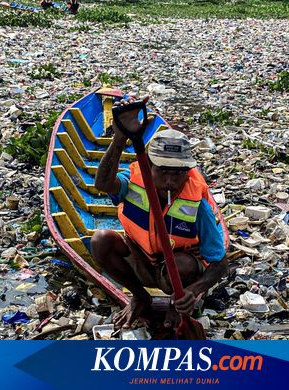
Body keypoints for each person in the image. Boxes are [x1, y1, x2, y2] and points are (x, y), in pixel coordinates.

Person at [92, 97, 228, 330]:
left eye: (179, 173)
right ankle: (140, 296)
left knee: (183, 265)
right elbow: (103, 183)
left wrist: (192, 292)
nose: (170, 181)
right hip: (143, 262)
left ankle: (176, 307)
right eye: (163, 171)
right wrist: (120, 138)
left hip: (177, 273)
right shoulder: (135, 181)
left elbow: (220, 263)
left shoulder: (197, 203)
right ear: (150, 166)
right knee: (101, 241)